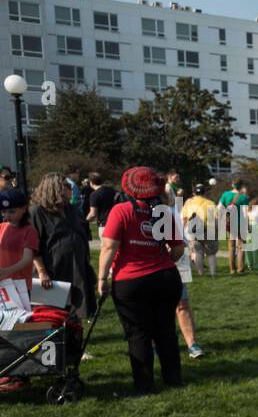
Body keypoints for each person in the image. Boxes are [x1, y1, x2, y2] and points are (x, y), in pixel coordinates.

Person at [97, 167, 186, 395]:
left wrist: (102, 277)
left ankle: (145, 383)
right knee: (165, 330)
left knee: (138, 333)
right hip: (165, 277)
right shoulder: (163, 212)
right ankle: (173, 378)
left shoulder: (121, 211)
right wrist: (163, 259)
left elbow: (109, 246)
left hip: (131, 280)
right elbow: (177, 248)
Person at [0, 189, 51, 393]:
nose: (7, 216)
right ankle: (8, 369)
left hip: (20, 287)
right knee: (4, 328)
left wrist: (6, 272)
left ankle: (21, 373)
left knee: (19, 329)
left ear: (23, 209)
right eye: (4, 212)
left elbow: (28, 258)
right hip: (3, 287)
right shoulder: (2, 227)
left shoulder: (28, 230)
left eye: (11, 211)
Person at [29, 172, 96, 321]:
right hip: (52, 271)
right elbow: (32, 246)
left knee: (76, 314)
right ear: (55, 188)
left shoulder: (72, 210)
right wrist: (42, 272)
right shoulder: (37, 212)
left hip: (76, 269)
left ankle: (74, 339)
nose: (71, 189)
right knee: (53, 316)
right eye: (67, 186)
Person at [181, 184, 219, 278]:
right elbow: (215, 219)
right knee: (211, 253)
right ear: (204, 192)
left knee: (197, 252)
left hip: (194, 230)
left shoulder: (189, 203)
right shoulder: (210, 203)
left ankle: (201, 273)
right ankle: (213, 274)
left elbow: (184, 218)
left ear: (194, 193)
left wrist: (183, 229)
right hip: (207, 230)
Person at [218, 179, 250, 275]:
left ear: (233, 185)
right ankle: (240, 269)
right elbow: (245, 213)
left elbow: (219, 207)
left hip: (230, 223)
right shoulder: (244, 197)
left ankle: (232, 269)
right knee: (241, 247)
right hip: (240, 223)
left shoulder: (225, 195)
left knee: (231, 246)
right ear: (241, 186)